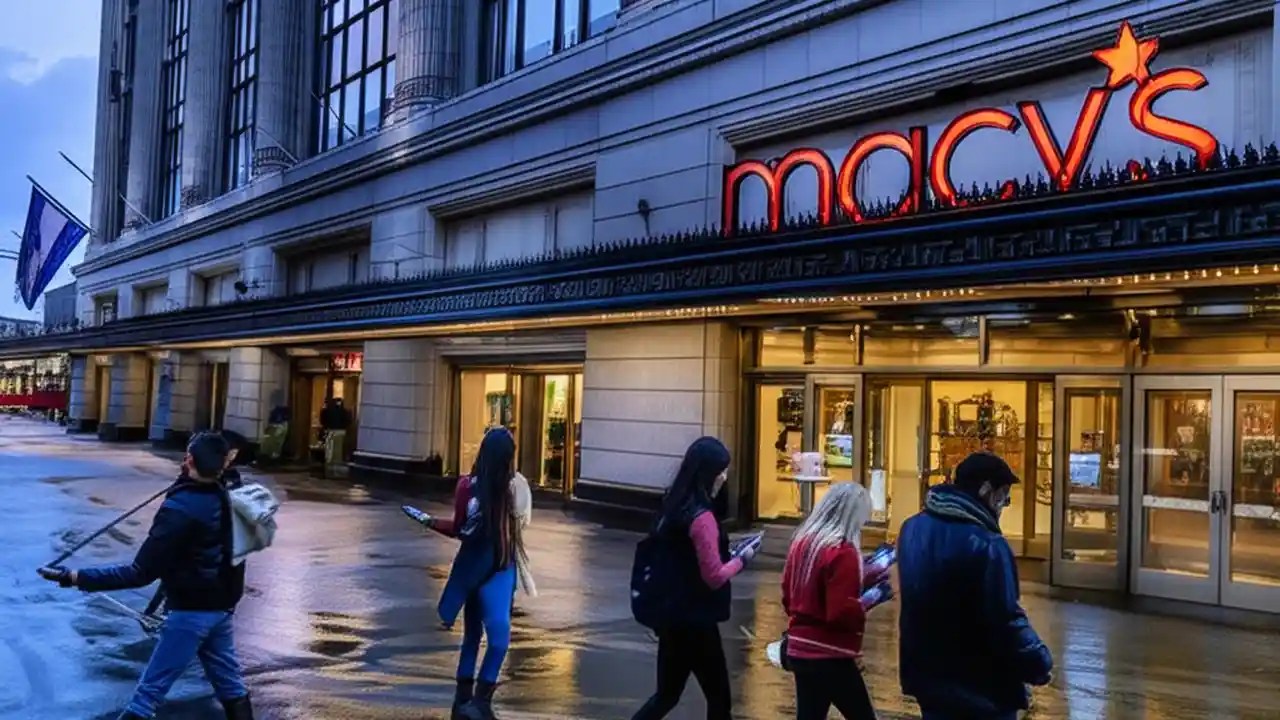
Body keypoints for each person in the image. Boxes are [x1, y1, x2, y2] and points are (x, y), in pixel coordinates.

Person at [37, 432, 253, 720]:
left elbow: (140, 573)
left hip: (191, 613)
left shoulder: (180, 508)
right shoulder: (232, 496)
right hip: (222, 608)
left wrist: (76, 577)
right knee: (231, 686)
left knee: (147, 696)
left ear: (188, 460)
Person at [897, 452, 1053, 720]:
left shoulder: (912, 529)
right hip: (980, 687)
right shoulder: (988, 544)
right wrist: (1037, 660)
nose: (1004, 505)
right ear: (985, 490)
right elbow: (1005, 619)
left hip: (927, 676)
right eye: (1003, 496)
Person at [631, 436, 754, 720]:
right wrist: (741, 559)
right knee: (719, 699)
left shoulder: (672, 507)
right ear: (708, 472)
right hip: (697, 620)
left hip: (670, 615)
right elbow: (713, 576)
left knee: (666, 695)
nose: (724, 477)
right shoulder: (702, 518)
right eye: (722, 470)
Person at [418, 428, 534, 720]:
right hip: (499, 569)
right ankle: (472, 702)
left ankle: (472, 702)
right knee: (490, 637)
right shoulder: (510, 486)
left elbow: (460, 528)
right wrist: (434, 522)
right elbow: (519, 524)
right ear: (508, 457)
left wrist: (432, 522)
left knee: (481, 635)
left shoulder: (474, 487)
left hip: (479, 568)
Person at [781, 482, 886, 720]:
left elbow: (789, 597)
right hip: (830, 653)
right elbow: (840, 611)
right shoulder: (843, 551)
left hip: (799, 648)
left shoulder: (803, 544)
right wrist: (870, 599)